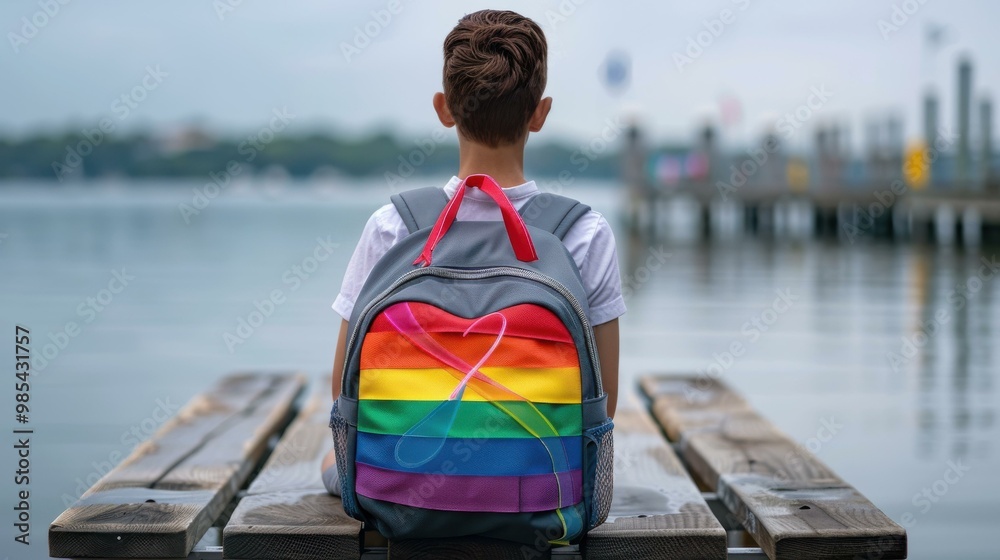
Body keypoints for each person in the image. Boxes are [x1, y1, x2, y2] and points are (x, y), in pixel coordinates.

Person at [321, 8, 625, 498]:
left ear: (443, 109)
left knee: (328, 464)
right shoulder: (583, 233)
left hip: (397, 491)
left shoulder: (393, 226)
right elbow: (602, 403)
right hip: (541, 495)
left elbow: (342, 388)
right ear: (540, 114)